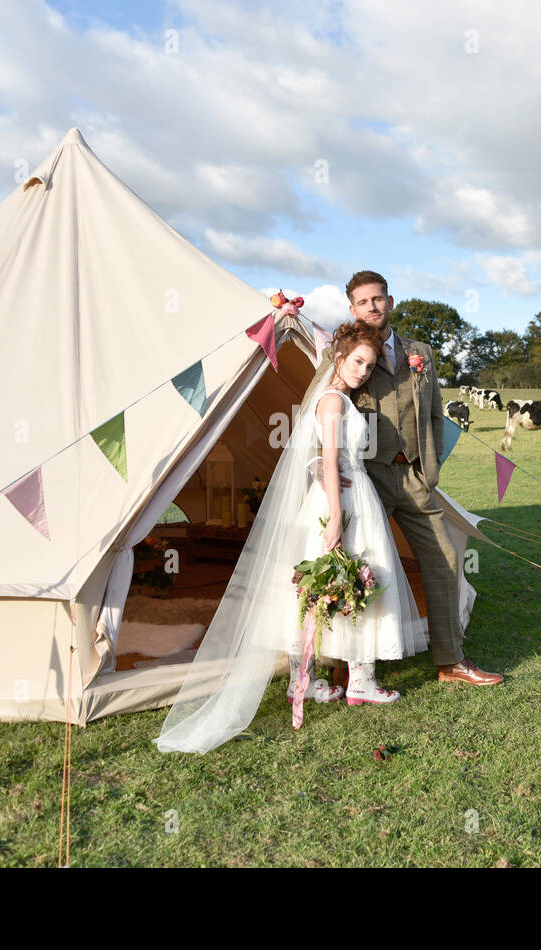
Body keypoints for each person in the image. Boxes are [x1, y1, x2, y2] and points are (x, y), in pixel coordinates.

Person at [154, 323, 427, 754]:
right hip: (343, 503)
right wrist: (337, 516)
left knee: (327, 585)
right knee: (347, 578)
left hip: (342, 495)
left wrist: (320, 470)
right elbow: (333, 458)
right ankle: (360, 680)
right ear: (338, 357)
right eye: (356, 361)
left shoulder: (332, 400)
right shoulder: (334, 401)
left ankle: (316, 679)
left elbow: (321, 456)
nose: (362, 371)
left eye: (369, 366)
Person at [309, 270, 502, 687]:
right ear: (353, 309)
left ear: (390, 301)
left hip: (414, 475)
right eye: (363, 302)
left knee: (446, 558)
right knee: (357, 564)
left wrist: (430, 469)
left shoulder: (421, 352)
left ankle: (451, 661)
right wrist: (320, 472)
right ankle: (347, 665)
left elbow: (435, 412)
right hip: (366, 477)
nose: (372, 307)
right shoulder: (347, 353)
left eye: (378, 299)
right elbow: (323, 411)